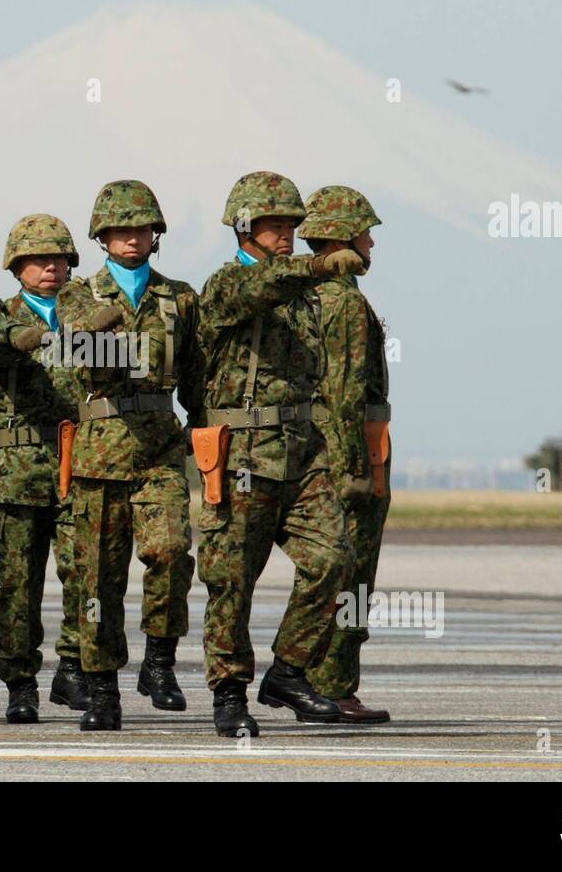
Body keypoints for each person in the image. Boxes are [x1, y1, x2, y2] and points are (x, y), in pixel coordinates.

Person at [195, 171, 364, 736]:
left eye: (293, 224)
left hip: (301, 452)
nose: (287, 233)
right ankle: (228, 691)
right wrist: (320, 265)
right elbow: (261, 287)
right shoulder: (224, 286)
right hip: (243, 454)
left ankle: (288, 671)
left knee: (335, 559)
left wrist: (341, 457)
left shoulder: (307, 300)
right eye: (273, 225)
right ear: (244, 228)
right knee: (232, 580)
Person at [56, 179, 204, 731]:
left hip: (160, 449)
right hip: (98, 454)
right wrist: (99, 328)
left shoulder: (180, 298)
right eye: (120, 231)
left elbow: (196, 375)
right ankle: (101, 692)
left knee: (170, 554)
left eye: (140, 229)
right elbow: (79, 358)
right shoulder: (77, 295)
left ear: (155, 234)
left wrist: (208, 432)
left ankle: (160, 662)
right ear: (102, 236)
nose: (131, 239)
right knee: (99, 583)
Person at [0, 213, 99, 721]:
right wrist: (30, 337)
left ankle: (74, 668)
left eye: (58, 259)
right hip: (17, 470)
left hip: (80, 461)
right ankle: (21, 684)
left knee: (86, 576)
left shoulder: (90, 310)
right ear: (16, 267)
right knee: (17, 586)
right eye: (37, 260)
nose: (50, 267)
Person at [299, 186, 392, 724]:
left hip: (325, 449)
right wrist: (357, 466)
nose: (371, 241)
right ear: (341, 234)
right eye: (364, 231)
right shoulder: (346, 302)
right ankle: (334, 687)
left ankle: (312, 679)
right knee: (353, 573)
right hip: (354, 450)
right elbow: (346, 389)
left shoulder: (312, 295)